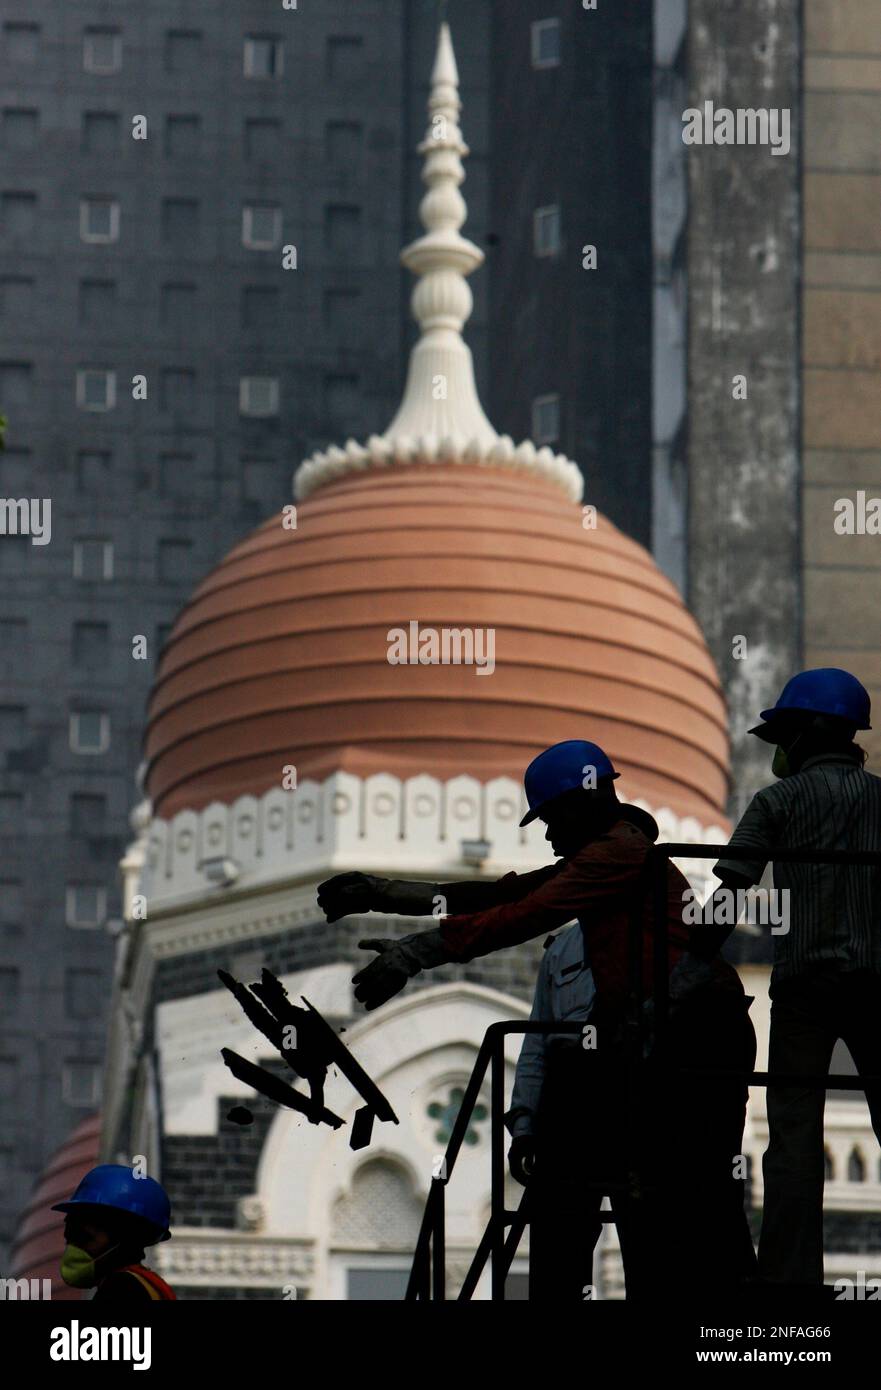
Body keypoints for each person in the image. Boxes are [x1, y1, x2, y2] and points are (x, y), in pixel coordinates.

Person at [319, 738, 757, 1297]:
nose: (548, 835)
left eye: (551, 819)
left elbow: (527, 913)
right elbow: (502, 894)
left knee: (681, 1193)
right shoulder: (610, 856)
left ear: (581, 804)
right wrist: (385, 893)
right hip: (659, 1042)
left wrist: (416, 953)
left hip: (694, 1041)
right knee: (612, 1178)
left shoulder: (618, 854)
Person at [690, 667, 881, 1286]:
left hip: (804, 988)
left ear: (806, 733)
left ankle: (788, 1284)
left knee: (794, 1138)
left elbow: (732, 889)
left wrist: (687, 966)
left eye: (786, 733)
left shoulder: (777, 801)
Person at [506, 925, 603, 1300]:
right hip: (569, 1093)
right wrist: (524, 1124)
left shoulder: (661, 928)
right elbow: (537, 1042)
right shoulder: (563, 947)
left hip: (634, 1083)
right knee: (558, 1233)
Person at [53, 1164, 176, 1301]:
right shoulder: (150, 1286)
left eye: (84, 1238)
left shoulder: (122, 1289)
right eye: (69, 1235)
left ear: (125, 1240)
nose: (73, 1247)